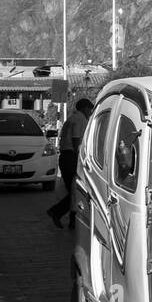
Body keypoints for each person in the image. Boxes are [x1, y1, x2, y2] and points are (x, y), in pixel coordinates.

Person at [46, 98, 94, 229]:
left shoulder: (72, 118)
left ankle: (71, 220)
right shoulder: (80, 119)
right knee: (76, 191)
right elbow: (76, 140)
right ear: (84, 108)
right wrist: (81, 159)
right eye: (90, 109)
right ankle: (58, 213)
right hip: (71, 157)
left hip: (66, 157)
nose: (91, 112)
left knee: (74, 191)